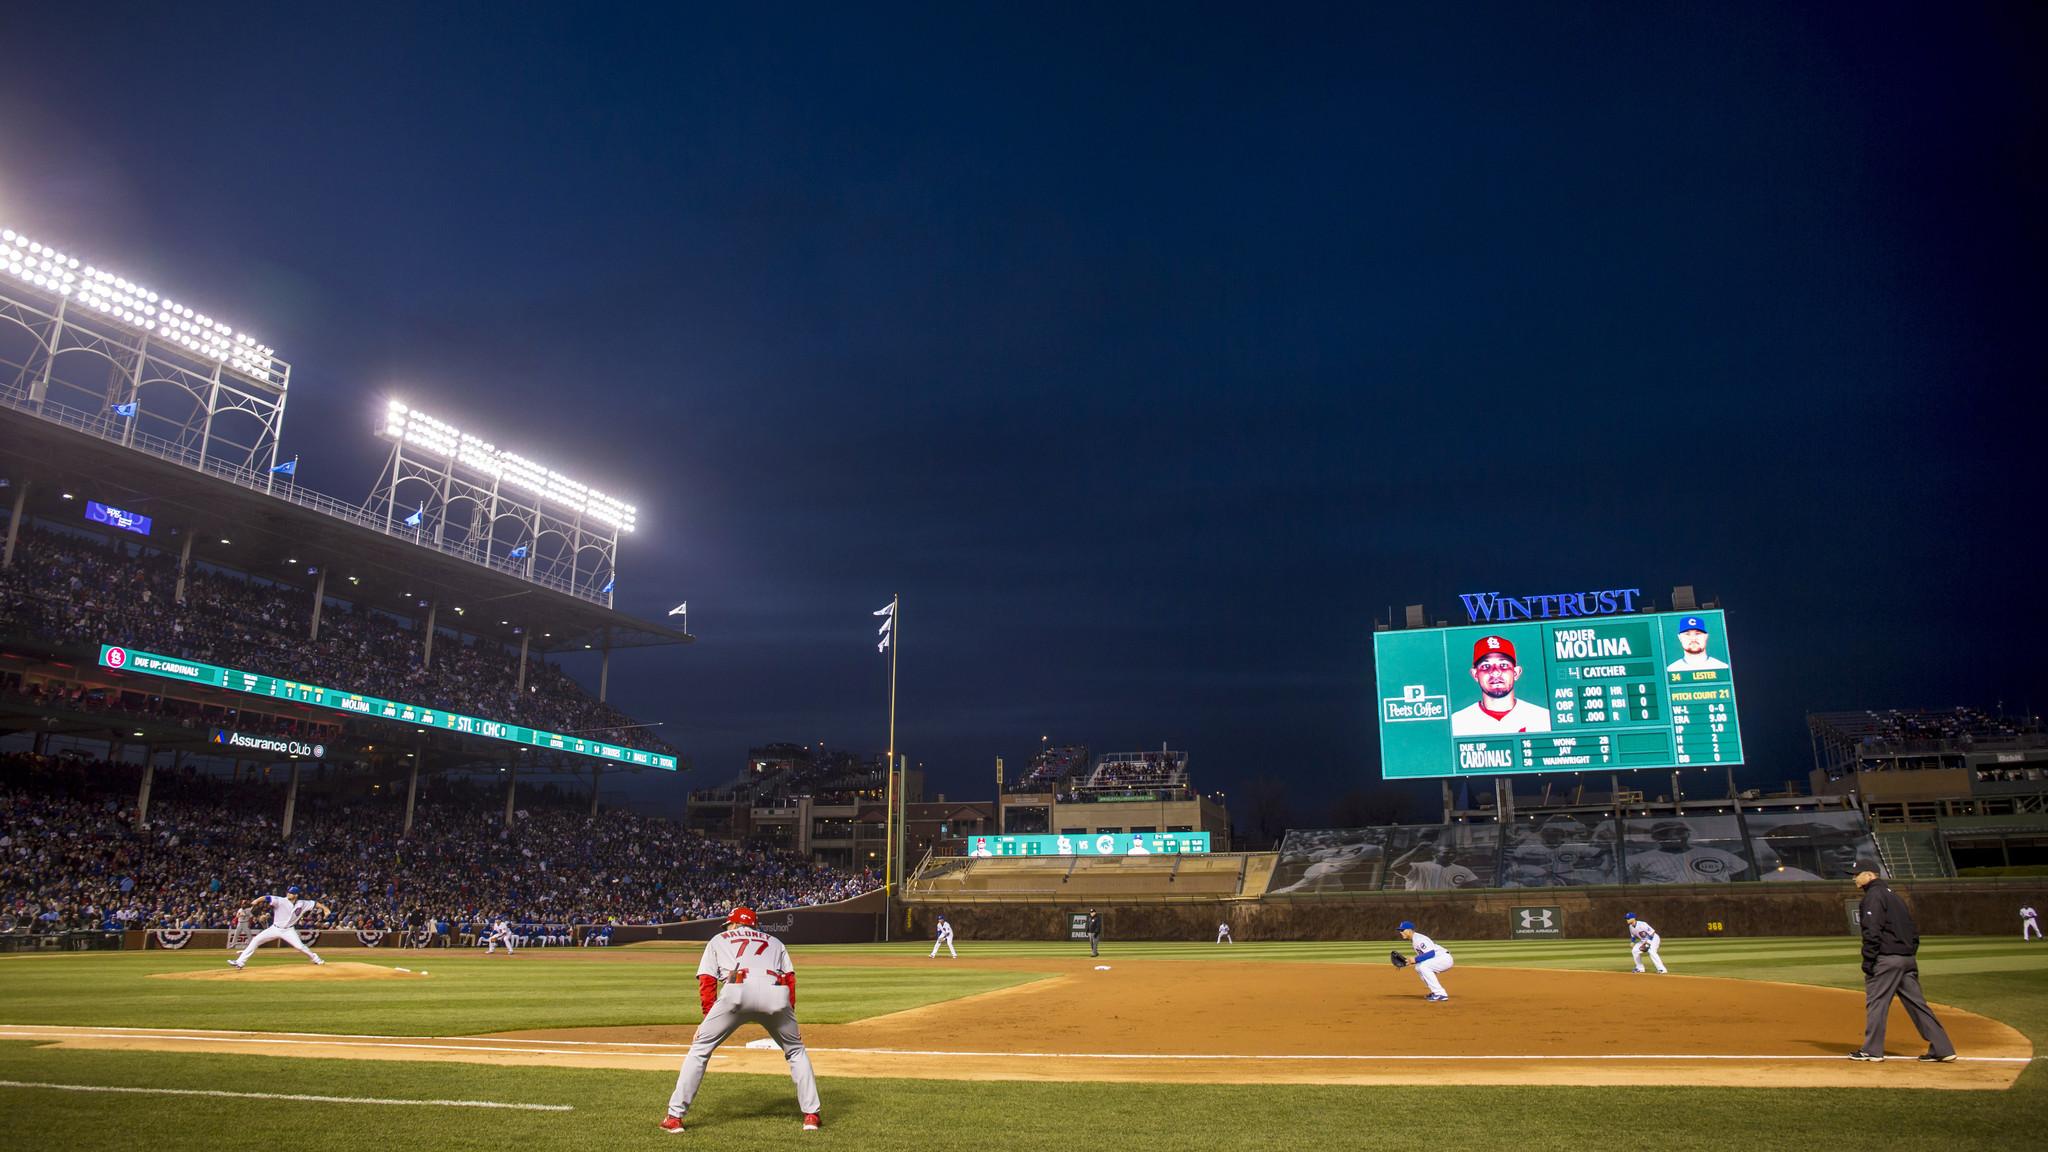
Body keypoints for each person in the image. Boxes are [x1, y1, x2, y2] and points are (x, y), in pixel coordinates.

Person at [661, 906, 822, 1132]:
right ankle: (811, 1116)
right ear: (753, 924)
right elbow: (790, 980)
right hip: (775, 993)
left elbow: (707, 981)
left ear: (735, 924)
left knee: (700, 1050)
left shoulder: (718, 940)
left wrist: (708, 1019)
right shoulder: (775, 942)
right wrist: (790, 1017)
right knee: (795, 1050)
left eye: (729, 924)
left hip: (737, 989)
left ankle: (675, 1117)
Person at [1848, 871, 1955, 1063]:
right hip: (1907, 959)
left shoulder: (1873, 896)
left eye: (1857, 874)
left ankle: (1872, 1050)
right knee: (1917, 1004)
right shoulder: (1894, 895)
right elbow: (1912, 929)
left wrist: (1869, 959)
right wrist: (1910, 952)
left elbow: (1872, 930)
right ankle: (1943, 1048)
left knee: (1877, 1002)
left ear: (1870, 875)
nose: (1854, 878)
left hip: (1887, 958)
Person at [1450, 635, 1551, 736]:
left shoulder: (1544, 718)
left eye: (1503, 665)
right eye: (1486, 666)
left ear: (1516, 672)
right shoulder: (1457, 723)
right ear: (1475, 674)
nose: (1495, 672)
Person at [228, 886, 329, 969]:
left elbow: (315, 903)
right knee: (256, 940)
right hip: (275, 928)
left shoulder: (302, 904)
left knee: (300, 947)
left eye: (291, 893)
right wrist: (255, 901)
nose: (288, 894)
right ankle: (240, 962)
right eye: (288, 892)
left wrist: (325, 909)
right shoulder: (280, 900)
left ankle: (316, 959)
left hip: (288, 930)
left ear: (296, 895)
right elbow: (266, 897)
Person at [1625, 820, 1748, 883]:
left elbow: (1742, 875)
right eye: (1669, 833)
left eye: (1680, 832)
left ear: (1687, 834)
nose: (1677, 836)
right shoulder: (1638, 859)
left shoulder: (1716, 854)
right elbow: (1628, 883)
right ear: (1656, 837)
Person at [1392, 839, 1480, 890]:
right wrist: (1417, 850)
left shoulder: (1462, 870)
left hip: (1445, 908)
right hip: (1418, 906)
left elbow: (1478, 886)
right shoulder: (1418, 867)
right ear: (1434, 854)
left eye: (1454, 852)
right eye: (1447, 852)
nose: (1451, 855)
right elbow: (1396, 866)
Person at [1398, 920, 1453, 1001]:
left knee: (1424, 966)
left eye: (1402, 930)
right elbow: (1424, 956)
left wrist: (1415, 959)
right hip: (1439, 958)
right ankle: (1435, 992)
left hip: (1444, 958)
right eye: (1400, 930)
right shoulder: (1414, 939)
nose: (1400, 932)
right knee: (1418, 967)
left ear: (1409, 930)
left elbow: (1431, 953)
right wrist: (1409, 962)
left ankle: (1440, 994)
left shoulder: (1419, 939)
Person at [1665, 616, 1729, 672]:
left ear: (1706, 636)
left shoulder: (1721, 667)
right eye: (1687, 634)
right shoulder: (1671, 670)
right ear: (1680, 637)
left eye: (1698, 633)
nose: (1693, 639)